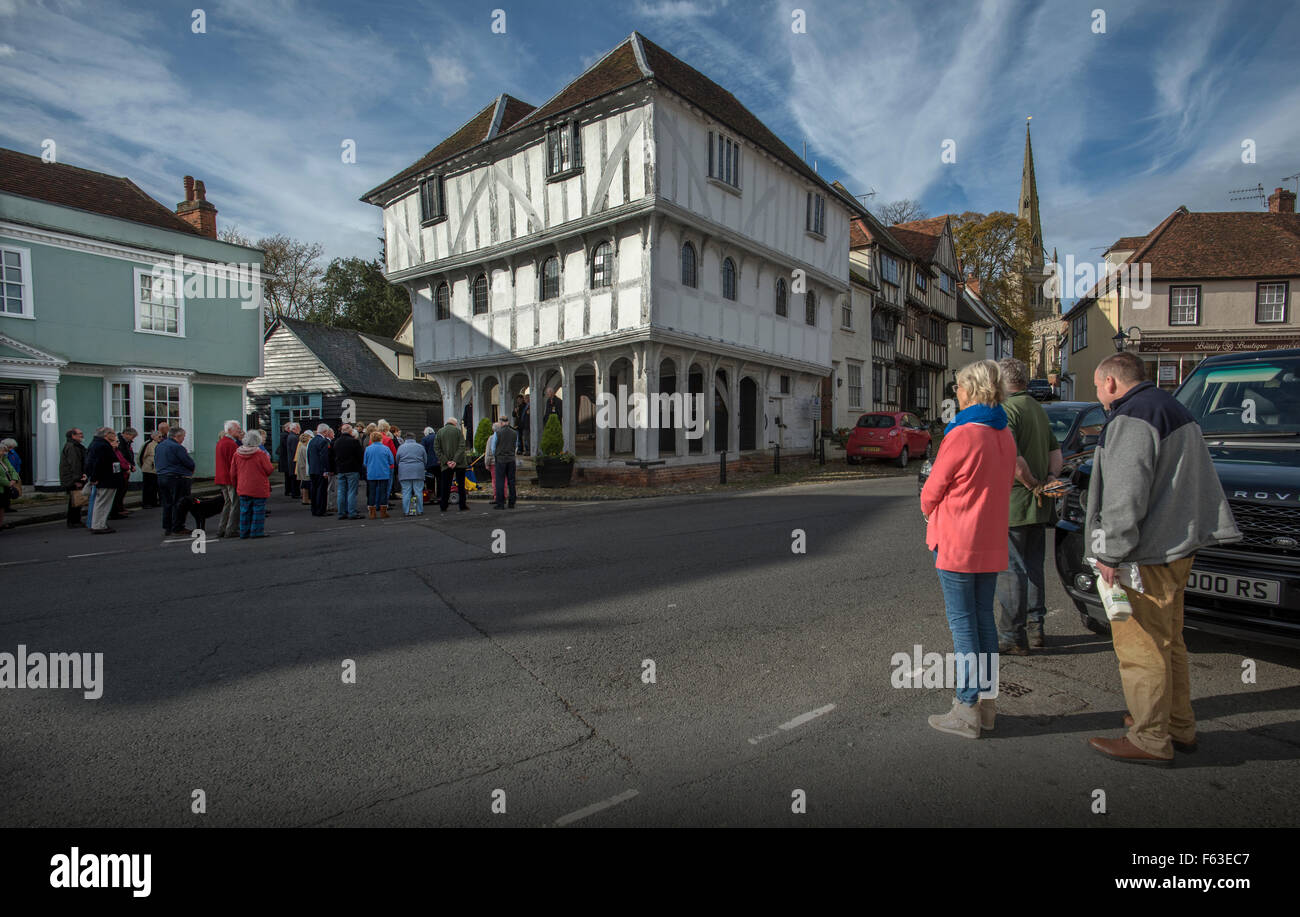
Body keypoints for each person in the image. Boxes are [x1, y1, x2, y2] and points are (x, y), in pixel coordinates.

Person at [1085, 351, 1241, 766]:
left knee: (1141, 646)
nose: (1099, 395)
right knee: (1170, 642)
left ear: (1112, 382)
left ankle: (1150, 737)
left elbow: (1125, 494)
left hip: (1147, 552)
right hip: (1176, 545)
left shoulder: (1132, 418)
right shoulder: (1174, 408)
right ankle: (1176, 724)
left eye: (1098, 387)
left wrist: (1109, 552)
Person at [919, 360, 1017, 739]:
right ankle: (986, 706)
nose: (955, 394)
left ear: (973, 389)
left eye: (959, 387)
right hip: (990, 539)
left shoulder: (962, 434)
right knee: (983, 622)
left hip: (958, 539)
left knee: (963, 626)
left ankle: (966, 707)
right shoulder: (1004, 434)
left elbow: (934, 487)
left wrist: (927, 508)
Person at [995, 358, 1062, 654]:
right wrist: (1048, 479)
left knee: (1011, 569)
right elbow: (1055, 451)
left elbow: (1012, 458)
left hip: (1014, 502)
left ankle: (1012, 635)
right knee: (1034, 566)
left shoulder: (1005, 410)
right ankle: (1036, 628)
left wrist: (1032, 482)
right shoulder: (1036, 408)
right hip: (1040, 502)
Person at [230, 428, 274, 538]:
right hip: (258, 486)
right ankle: (256, 531)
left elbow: (232, 473)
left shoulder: (237, 454)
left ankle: (244, 532)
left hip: (243, 486)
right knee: (258, 510)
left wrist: (236, 484)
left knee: (244, 510)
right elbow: (269, 469)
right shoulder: (260, 454)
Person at [155, 426, 195, 536]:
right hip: (177, 477)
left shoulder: (160, 446)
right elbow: (189, 463)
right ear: (177, 436)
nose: (183, 439)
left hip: (162, 476)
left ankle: (168, 526)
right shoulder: (177, 447)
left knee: (167, 503)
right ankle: (178, 526)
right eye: (183, 436)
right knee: (180, 503)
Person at [84, 426, 122, 534]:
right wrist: (95, 477)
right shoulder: (102, 446)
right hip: (106, 479)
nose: (115, 435)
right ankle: (99, 525)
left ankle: (98, 524)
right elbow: (98, 463)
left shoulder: (95, 444)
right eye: (113, 433)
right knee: (103, 503)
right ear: (106, 435)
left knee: (100, 502)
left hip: (103, 478)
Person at [214, 420, 243, 538]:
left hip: (221, 477)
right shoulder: (231, 444)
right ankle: (231, 529)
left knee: (228, 503)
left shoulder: (221, 442)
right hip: (229, 478)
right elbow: (235, 463)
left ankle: (222, 528)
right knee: (235, 504)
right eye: (237, 429)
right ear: (230, 430)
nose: (239, 430)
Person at [435, 418, 468, 512]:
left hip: (446, 465)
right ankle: (462, 505)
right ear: (455, 424)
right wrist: (455, 461)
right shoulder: (458, 431)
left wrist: (446, 461)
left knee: (445, 485)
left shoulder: (439, 432)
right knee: (461, 484)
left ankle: (443, 505)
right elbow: (462, 446)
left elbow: (437, 448)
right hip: (460, 463)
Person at [333, 423, 364, 519]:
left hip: (341, 469)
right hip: (352, 468)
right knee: (352, 491)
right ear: (350, 431)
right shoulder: (354, 442)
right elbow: (360, 456)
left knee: (341, 491)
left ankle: (341, 512)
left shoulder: (336, 442)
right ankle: (352, 512)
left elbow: (334, 456)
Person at [60, 427, 88, 527]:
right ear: (73, 435)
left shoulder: (75, 446)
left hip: (72, 477)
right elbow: (75, 464)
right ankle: (73, 521)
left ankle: (75, 520)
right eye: (80, 433)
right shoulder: (72, 447)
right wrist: (78, 479)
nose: (82, 435)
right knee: (75, 500)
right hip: (72, 478)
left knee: (76, 500)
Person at [108, 427, 138, 520]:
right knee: (119, 492)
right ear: (126, 434)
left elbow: (127, 456)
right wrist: (127, 467)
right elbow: (120, 459)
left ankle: (119, 508)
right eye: (132, 436)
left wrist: (131, 465)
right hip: (120, 473)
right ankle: (116, 510)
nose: (132, 439)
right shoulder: (119, 445)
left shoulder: (124, 444)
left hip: (125, 470)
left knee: (122, 490)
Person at [363, 431, 393, 518]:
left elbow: (365, 463)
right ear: (381, 439)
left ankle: (372, 512)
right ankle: (383, 512)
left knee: (372, 492)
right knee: (383, 492)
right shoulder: (386, 448)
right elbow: (391, 461)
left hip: (372, 473)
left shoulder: (368, 449)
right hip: (383, 473)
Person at [396, 432, 426, 515]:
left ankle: (406, 511)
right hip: (418, 471)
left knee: (406, 491)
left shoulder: (401, 447)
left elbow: (397, 459)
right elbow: (425, 459)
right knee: (418, 491)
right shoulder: (420, 447)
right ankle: (419, 510)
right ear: (414, 438)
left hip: (404, 471)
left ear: (405, 438)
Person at [492, 416, 518, 509]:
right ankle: (512, 502)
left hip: (501, 459)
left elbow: (493, 447)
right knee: (511, 481)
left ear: (502, 422)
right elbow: (516, 445)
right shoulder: (514, 433)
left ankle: (500, 503)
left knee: (500, 481)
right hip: (511, 459)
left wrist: (497, 454)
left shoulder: (497, 433)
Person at [307, 423, 332, 516]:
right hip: (321, 470)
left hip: (313, 469)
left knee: (314, 490)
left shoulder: (312, 441)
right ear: (325, 432)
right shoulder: (323, 441)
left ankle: (314, 509)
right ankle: (321, 510)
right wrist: (326, 470)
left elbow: (309, 455)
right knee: (321, 491)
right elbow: (324, 457)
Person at [138, 430, 162, 508]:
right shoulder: (148, 444)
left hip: (156, 470)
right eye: (159, 436)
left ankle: (153, 502)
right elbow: (140, 457)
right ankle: (146, 503)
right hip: (148, 469)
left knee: (154, 487)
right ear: (153, 436)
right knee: (148, 488)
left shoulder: (158, 444)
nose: (161, 438)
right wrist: (143, 466)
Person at [0, 440, 19, 531]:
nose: (4, 453)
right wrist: (8, 483)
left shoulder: (4, 459)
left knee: (2, 506)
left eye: (4, 451)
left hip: (6, 486)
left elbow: (12, 469)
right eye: (2, 451)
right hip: (2, 485)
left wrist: (14, 478)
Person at [282, 422, 302, 498]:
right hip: (293, 461)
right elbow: (295, 450)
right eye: (298, 428)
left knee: (294, 478)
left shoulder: (291, 436)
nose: (300, 429)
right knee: (295, 478)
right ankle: (295, 493)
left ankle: (295, 493)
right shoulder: (293, 437)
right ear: (294, 429)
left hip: (291, 460)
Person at [421, 426, 440, 502]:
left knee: (430, 480)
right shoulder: (438, 437)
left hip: (429, 463)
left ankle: (431, 495)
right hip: (439, 462)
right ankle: (440, 495)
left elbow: (423, 451)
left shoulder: (425, 439)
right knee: (440, 479)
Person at [294, 431, 312, 505]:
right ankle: (306, 499)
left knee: (304, 484)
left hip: (301, 467)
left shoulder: (301, 446)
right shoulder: (305, 448)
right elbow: (307, 459)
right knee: (306, 484)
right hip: (304, 468)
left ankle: (305, 499)